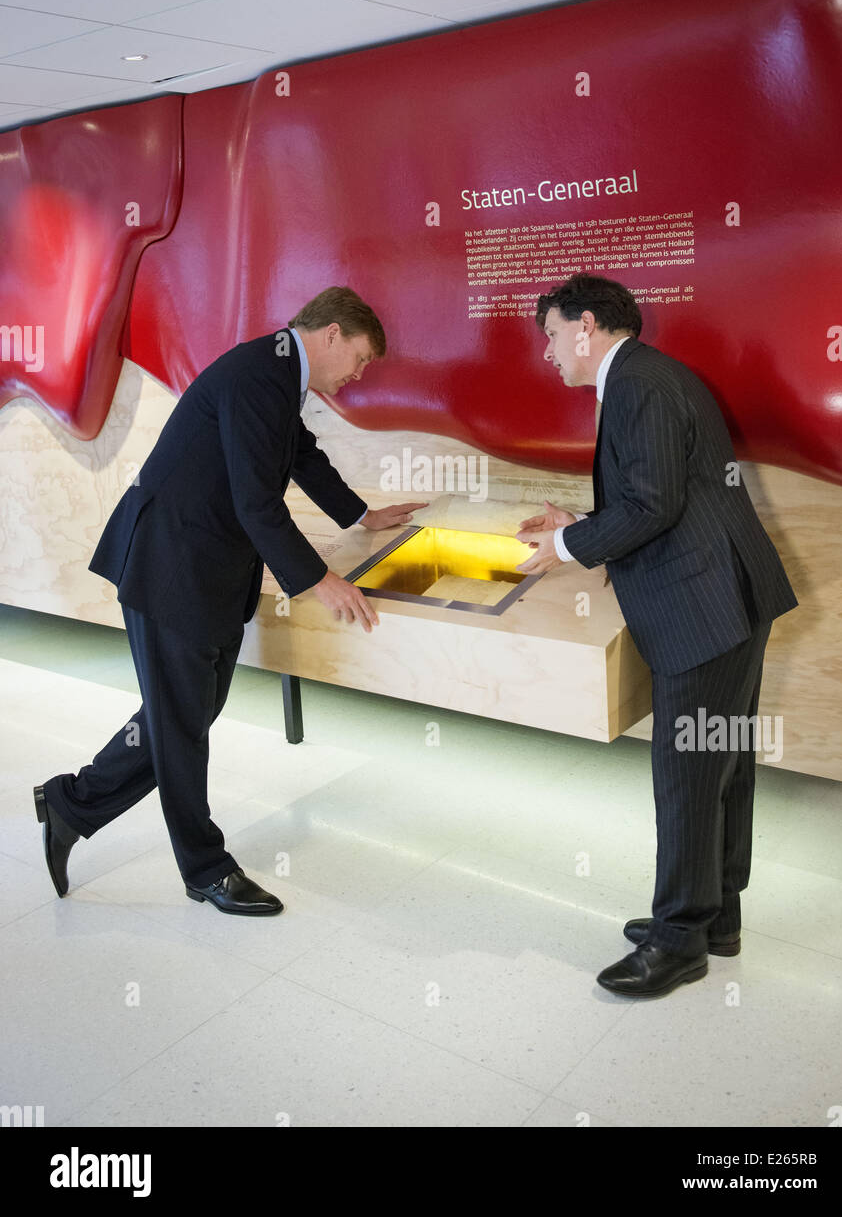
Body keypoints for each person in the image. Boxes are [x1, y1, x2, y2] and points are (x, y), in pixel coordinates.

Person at [35, 287, 426, 915]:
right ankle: (205, 869)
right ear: (330, 333)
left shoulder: (274, 372)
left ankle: (71, 803)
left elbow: (297, 452)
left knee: (183, 715)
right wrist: (319, 580)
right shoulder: (260, 373)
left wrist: (362, 514)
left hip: (200, 567)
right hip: (171, 567)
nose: (357, 375)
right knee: (183, 725)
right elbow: (256, 503)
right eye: (358, 359)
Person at [516, 274, 797, 998]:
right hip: (725, 596)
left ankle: (678, 941)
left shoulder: (636, 383)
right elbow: (664, 491)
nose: (547, 354)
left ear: (585, 325)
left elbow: (651, 503)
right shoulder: (650, 376)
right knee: (721, 764)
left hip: (704, 606)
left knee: (686, 777)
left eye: (549, 334)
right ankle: (715, 918)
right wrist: (578, 522)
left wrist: (572, 545)